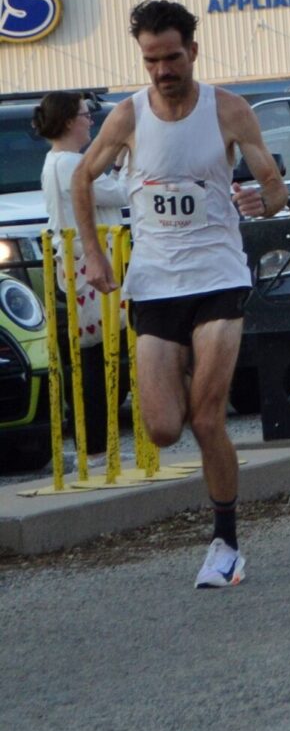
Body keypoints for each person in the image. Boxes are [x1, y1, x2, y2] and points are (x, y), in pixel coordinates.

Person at [72, 0, 287, 587]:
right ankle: (190, 373)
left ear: (193, 50)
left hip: (218, 276)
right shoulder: (128, 117)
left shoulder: (229, 110)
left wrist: (258, 201)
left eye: (172, 57)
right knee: (165, 426)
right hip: (155, 284)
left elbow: (274, 188)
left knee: (207, 417)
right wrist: (93, 252)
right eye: (151, 60)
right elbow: (81, 177)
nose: (163, 70)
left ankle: (226, 544)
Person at [35, 91, 127, 457]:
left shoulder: (52, 160)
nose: (90, 120)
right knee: (97, 351)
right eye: (86, 114)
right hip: (90, 263)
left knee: (88, 350)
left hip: (71, 264)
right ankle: (95, 440)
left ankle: (93, 439)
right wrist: (125, 164)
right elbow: (117, 194)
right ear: (70, 120)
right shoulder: (74, 163)